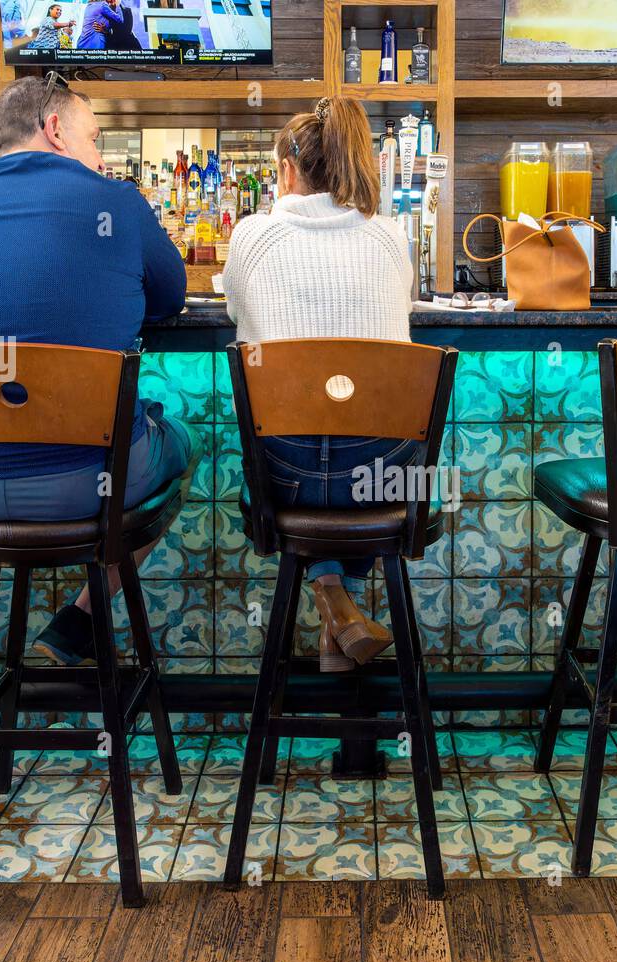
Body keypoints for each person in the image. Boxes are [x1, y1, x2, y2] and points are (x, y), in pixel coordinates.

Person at [0, 75, 192, 672]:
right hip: (91, 486)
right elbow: (170, 297)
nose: (100, 157)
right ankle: (79, 622)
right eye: (94, 138)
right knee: (185, 444)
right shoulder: (118, 206)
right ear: (55, 130)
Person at [222, 96, 418, 673]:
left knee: (303, 451)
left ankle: (332, 603)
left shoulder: (253, 236)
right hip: (384, 478)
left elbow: (236, 304)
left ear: (286, 169)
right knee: (347, 448)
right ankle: (338, 611)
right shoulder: (391, 237)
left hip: (283, 478)